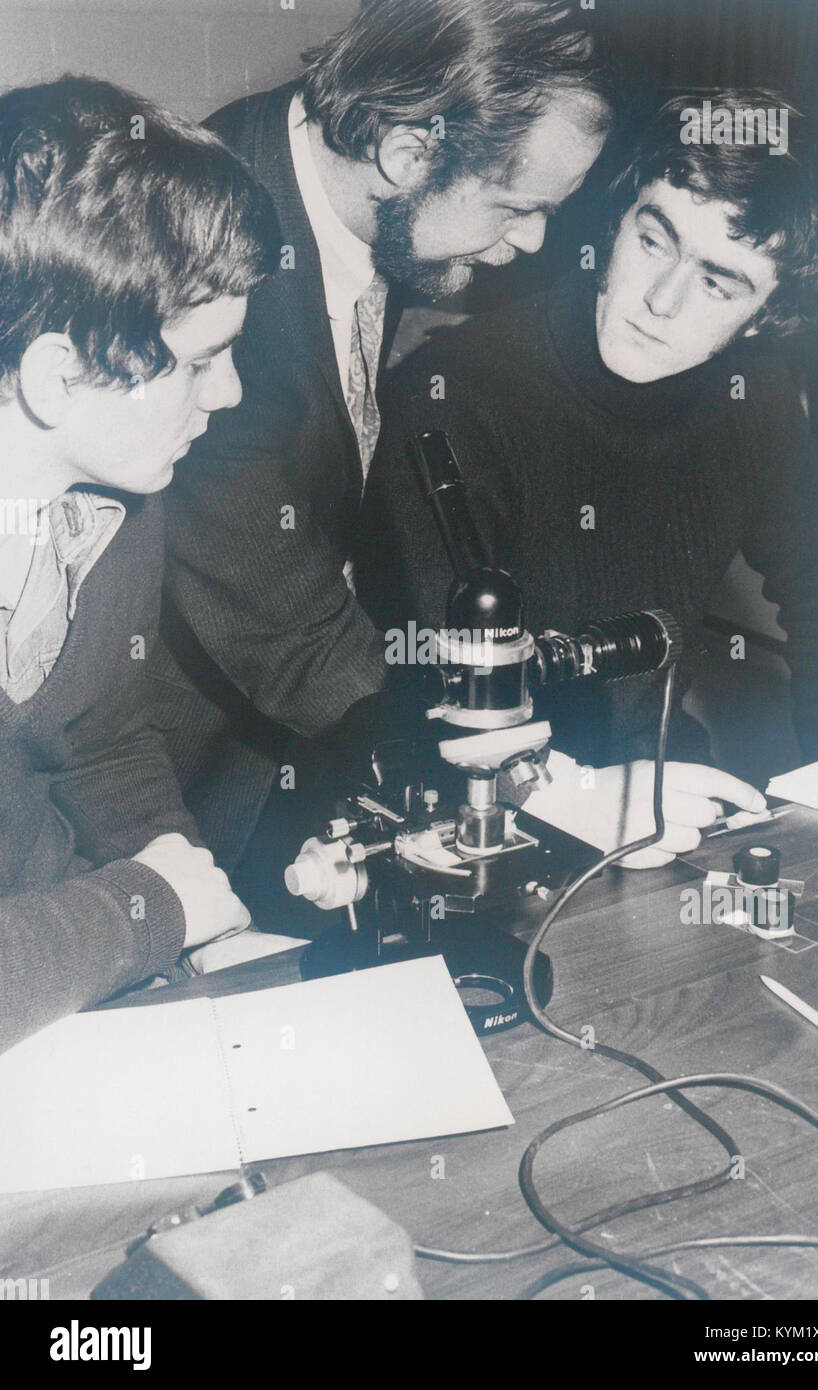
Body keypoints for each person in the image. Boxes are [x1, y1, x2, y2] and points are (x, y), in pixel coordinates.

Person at [149, 0, 616, 879]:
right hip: (171, 775)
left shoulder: (350, 189)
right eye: (516, 207)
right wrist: (536, 780)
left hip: (284, 717)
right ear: (408, 153)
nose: (531, 241)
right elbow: (280, 613)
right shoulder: (204, 259)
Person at [356, 90, 818, 859]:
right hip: (480, 811)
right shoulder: (454, 396)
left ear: (764, 318)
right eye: (654, 239)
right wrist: (589, 794)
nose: (659, 301)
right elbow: (441, 698)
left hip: (659, 785)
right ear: (616, 220)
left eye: (716, 283)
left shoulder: (754, 397)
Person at [0, 76, 279, 1051]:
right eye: (200, 362)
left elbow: (107, 747)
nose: (232, 393)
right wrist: (149, 908)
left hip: (71, 997)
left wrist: (211, 934)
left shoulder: (118, 500)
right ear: (57, 377)